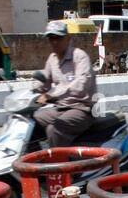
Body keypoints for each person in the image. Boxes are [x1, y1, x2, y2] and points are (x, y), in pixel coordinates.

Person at [35, 19, 96, 148]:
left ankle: (56, 165)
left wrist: (51, 94)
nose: (54, 42)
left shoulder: (79, 56)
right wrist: (34, 89)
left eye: (58, 38)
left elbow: (81, 84)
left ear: (68, 38)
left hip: (81, 108)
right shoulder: (52, 58)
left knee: (54, 129)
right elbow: (44, 82)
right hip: (60, 108)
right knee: (31, 121)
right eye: (51, 38)